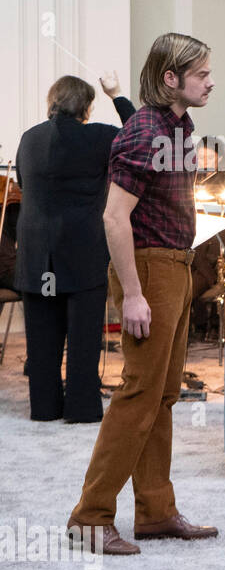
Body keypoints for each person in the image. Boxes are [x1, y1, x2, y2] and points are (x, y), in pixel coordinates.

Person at [67, 33, 220, 555]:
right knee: (138, 395)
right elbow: (114, 217)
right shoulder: (144, 131)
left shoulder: (176, 126)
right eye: (201, 74)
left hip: (175, 265)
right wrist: (133, 294)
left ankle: (155, 512)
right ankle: (90, 516)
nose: (211, 81)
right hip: (150, 268)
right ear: (171, 78)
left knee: (164, 395)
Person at [14, 73, 135, 422]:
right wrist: (117, 95)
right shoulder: (98, 136)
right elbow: (143, 137)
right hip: (81, 250)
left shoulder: (29, 138)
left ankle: (45, 407)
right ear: (86, 106)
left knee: (41, 342)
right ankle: (80, 408)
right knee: (82, 339)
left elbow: (24, 182)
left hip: (36, 253)